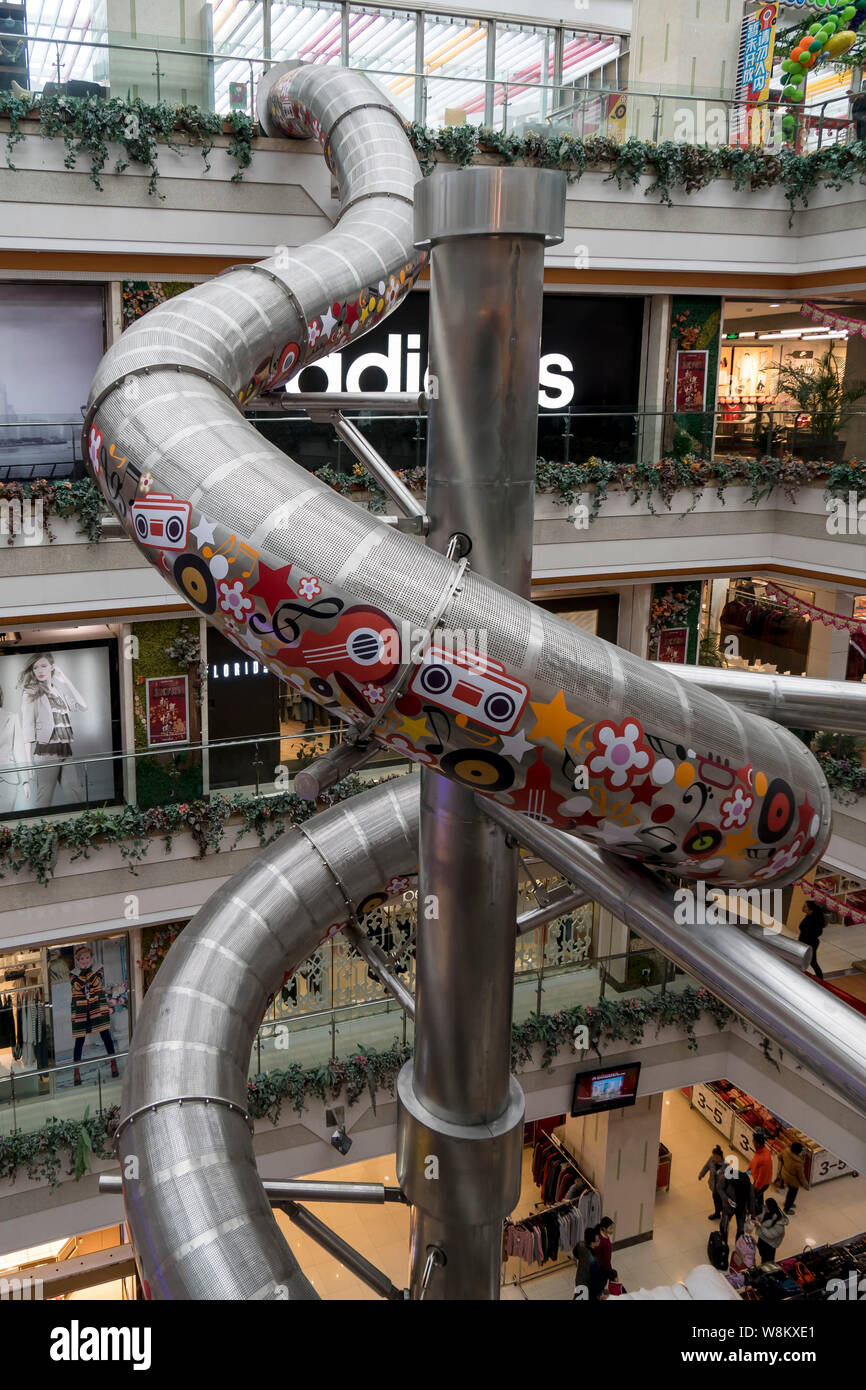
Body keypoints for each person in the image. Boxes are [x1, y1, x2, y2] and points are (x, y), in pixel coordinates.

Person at [17, 653, 87, 810]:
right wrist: (29, 764)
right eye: (35, 667)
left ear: (52, 667)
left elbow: (83, 706)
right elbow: (27, 728)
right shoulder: (31, 692)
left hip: (66, 750)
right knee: (44, 799)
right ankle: (41, 831)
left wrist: (66, 680)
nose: (39, 670)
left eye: (43, 665)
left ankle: (78, 832)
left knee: (75, 795)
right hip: (46, 752)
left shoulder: (58, 691)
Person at [70, 945, 118, 1085]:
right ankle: (76, 1071)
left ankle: (113, 1062)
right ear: (77, 960)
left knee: (106, 1036)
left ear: (91, 958)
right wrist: (86, 982)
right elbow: (77, 986)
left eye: (87, 957)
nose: (85, 960)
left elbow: (96, 983)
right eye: (82, 958)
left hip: (97, 1008)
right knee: (79, 1041)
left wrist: (86, 981)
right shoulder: (73, 974)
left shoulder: (99, 969)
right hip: (81, 1011)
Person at [0, 682, 31, 815]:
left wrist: (25, 781)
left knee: (5, 821)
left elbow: (19, 750)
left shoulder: (12, 717)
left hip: (9, 778)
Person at [797, 900, 827, 981]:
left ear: (811, 909)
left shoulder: (814, 919)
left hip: (810, 943)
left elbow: (817, 932)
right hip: (805, 942)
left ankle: (821, 980)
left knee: (813, 962)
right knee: (801, 960)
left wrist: (806, 942)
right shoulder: (809, 916)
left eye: (805, 906)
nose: (803, 907)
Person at [779, 1141, 810, 1216]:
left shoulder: (786, 1151)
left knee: (789, 1191)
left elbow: (779, 1156)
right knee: (792, 1194)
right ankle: (787, 1208)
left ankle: (787, 1203)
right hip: (793, 1180)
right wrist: (806, 1185)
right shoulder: (798, 1164)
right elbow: (801, 1177)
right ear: (797, 1152)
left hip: (784, 1173)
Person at [754, 1198, 789, 1264]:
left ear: (770, 1207)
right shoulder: (769, 1211)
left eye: (766, 1206)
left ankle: (765, 1269)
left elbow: (770, 1235)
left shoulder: (779, 1224)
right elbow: (763, 1216)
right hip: (763, 1238)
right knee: (761, 1250)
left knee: (767, 1260)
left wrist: (760, 1225)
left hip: (770, 1244)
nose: (765, 1206)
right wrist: (757, 1218)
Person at [698, 1144, 727, 1219]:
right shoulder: (711, 1159)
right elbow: (706, 1166)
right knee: (715, 1199)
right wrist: (701, 1174)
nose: (713, 1158)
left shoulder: (726, 1166)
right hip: (714, 1186)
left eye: (715, 1157)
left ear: (719, 1157)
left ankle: (724, 1216)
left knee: (722, 1201)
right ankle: (717, 1213)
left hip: (722, 1188)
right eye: (713, 1156)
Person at [749, 1129, 775, 1210]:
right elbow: (755, 1162)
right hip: (759, 1181)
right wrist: (749, 1170)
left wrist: (757, 1187)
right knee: (759, 1195)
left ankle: (755, 1211)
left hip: (761, 1183)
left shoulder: (764, 1158)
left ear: (758, 1144)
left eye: (753, 1141)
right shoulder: (761, 1151)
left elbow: (763, 1176)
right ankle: (760, 1207)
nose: (752, 1142)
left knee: (751, 1197)